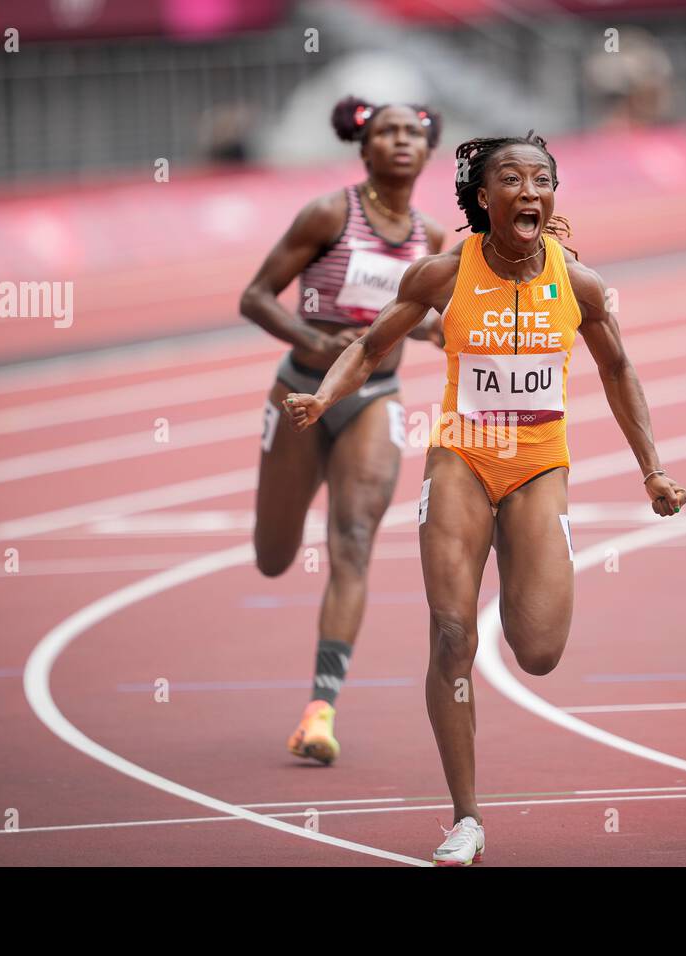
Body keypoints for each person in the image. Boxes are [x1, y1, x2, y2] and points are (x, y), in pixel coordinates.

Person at [283, 131, 686, 864]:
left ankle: (536, 549)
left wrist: (651, 469)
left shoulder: (581, 283)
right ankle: (466, 818)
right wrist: (323, 396)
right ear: (482, 196)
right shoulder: (442, 274)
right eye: (512, 178)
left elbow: (621, 369)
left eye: (542, 179)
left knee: (538, 653)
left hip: (537, 466)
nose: (529, 191)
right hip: (462, 461)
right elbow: (373, 345)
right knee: (451, 635)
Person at [239, 97, 445, 764]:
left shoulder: (432, 239)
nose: (400, 142)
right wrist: (317, 342)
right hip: (300, 390)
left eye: (411, 132)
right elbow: (256, 296)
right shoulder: (330, 213)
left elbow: (429, 318)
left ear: (426, 149)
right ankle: (281, 528)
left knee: (354, 539)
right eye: (386, 132)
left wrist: (446, 330)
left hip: (375, 399)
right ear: (365, 149)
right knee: (274, 556)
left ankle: (320, 710)